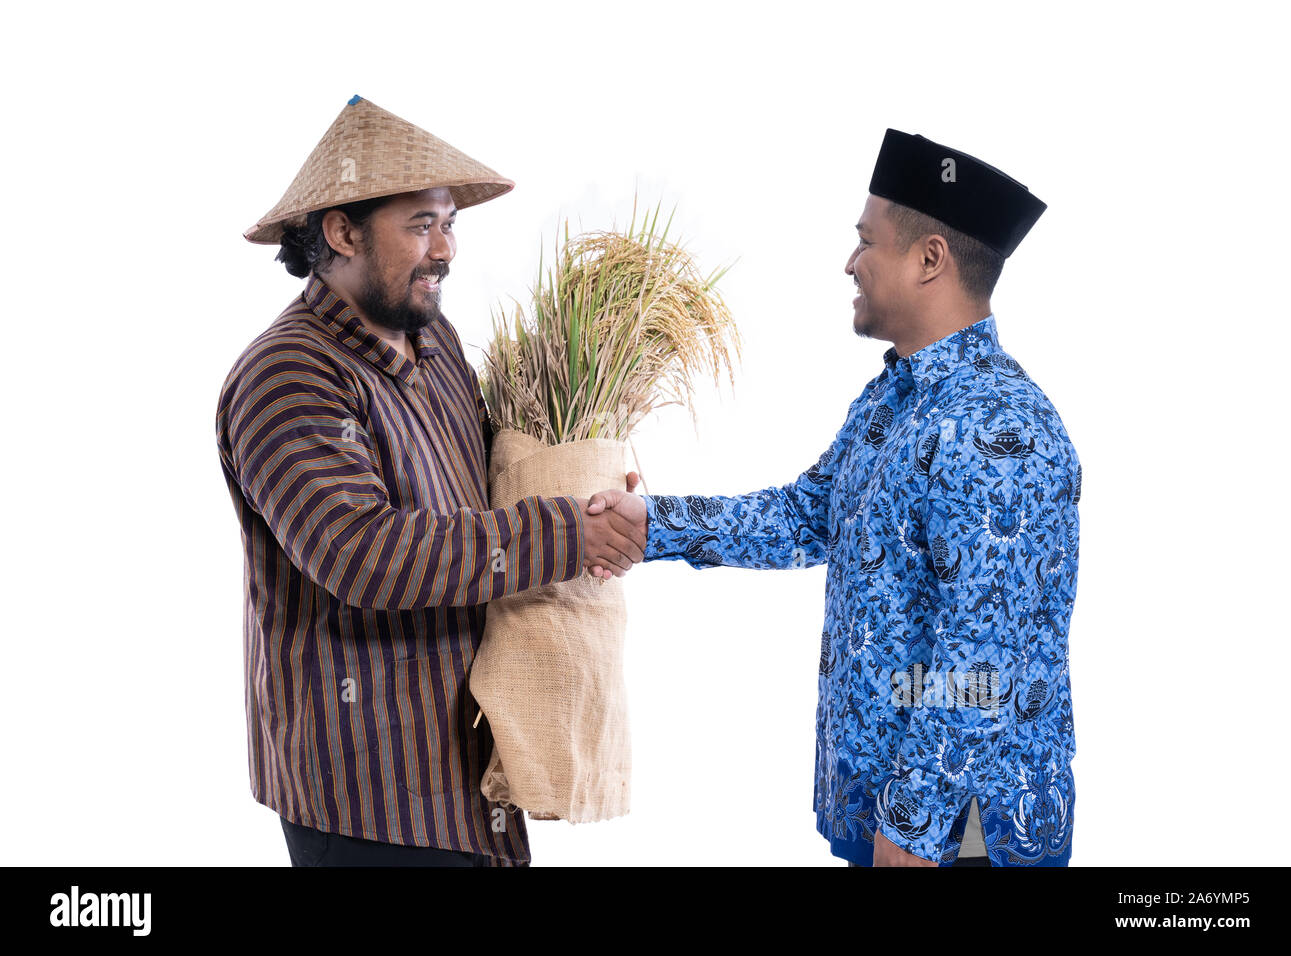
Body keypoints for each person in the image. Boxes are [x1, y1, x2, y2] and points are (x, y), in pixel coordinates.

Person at [586, 129, 1080, 867]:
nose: (849, 263)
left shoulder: (997, 425)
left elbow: (982, 656)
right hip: (882, 812)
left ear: (929, 259)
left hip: (964, 833)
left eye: (866, 242)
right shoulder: (891, 402)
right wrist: (652, 524)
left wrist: (913, 825)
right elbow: (804, 515)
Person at [216, 95, 643, 867]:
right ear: (342, 231)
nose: (445, 249)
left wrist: (584, 481)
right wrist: (565, 532)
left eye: (450, 223)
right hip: (367, 793)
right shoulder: (287, 375)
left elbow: (479, 487)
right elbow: (362, 553)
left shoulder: (434, 340)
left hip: (467, 769)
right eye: (420, 225)